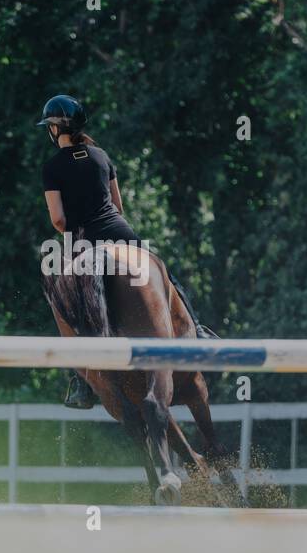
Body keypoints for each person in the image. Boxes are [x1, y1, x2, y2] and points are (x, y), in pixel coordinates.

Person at [38, 94, 215, 409]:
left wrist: (73, 238)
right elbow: (118, 206)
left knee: (65, 302)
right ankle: (198, 330)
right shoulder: (101, 156)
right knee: (162, 274)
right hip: (120, 232)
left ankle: (79, 380)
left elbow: (58, 219)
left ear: (55, 128)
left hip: (83, 240)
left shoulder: (52, 168)